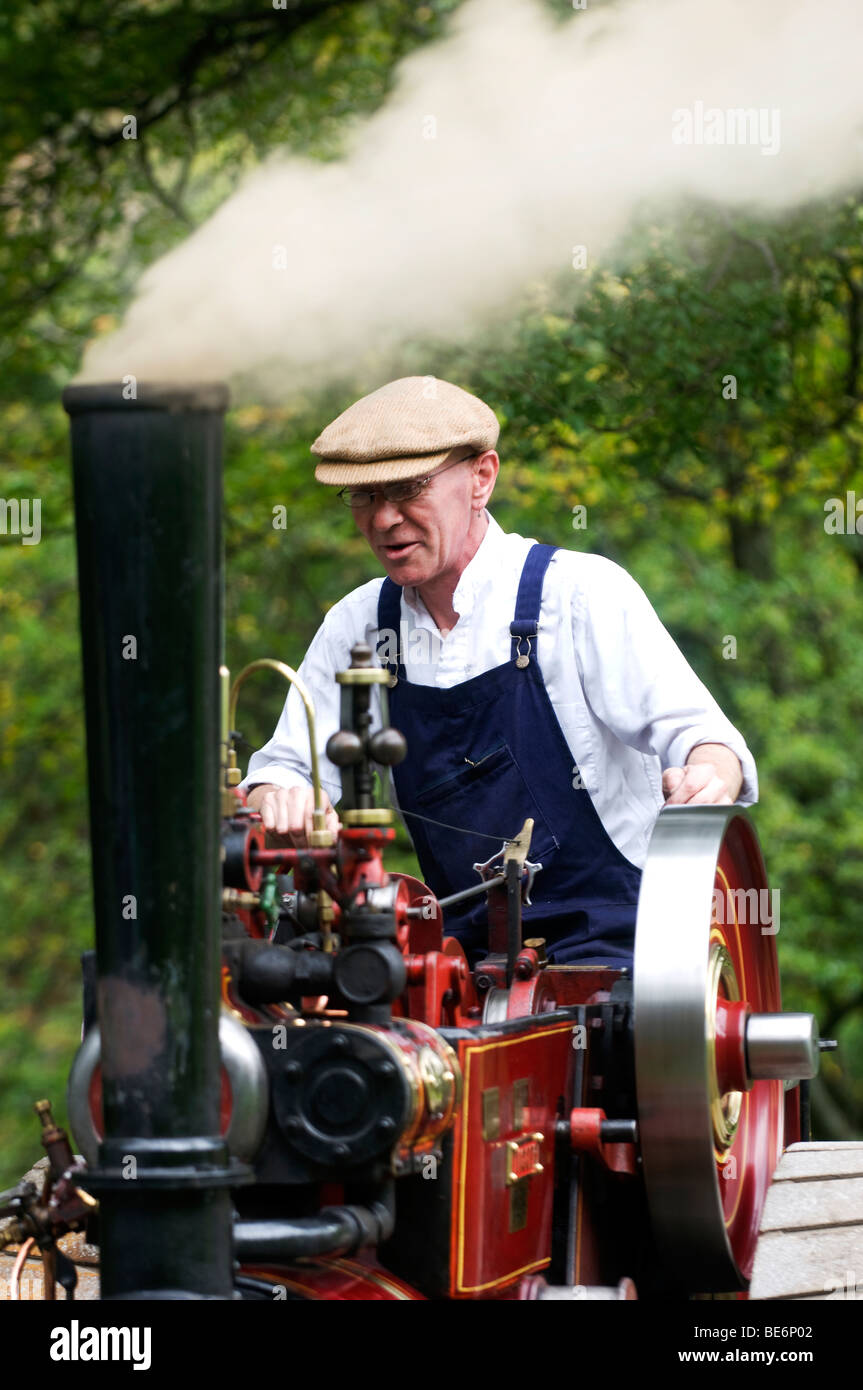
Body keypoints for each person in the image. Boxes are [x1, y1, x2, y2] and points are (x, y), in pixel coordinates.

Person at [241, 376, 756, 967]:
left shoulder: (580, 595)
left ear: (482, 477)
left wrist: (708, 773)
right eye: (362, 496)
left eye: (408, 488)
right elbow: (287, 770)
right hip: (460, 966)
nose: (383, 519)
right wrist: (280, 795)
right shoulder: (357, 627)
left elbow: (706, 742)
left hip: (622, 955)